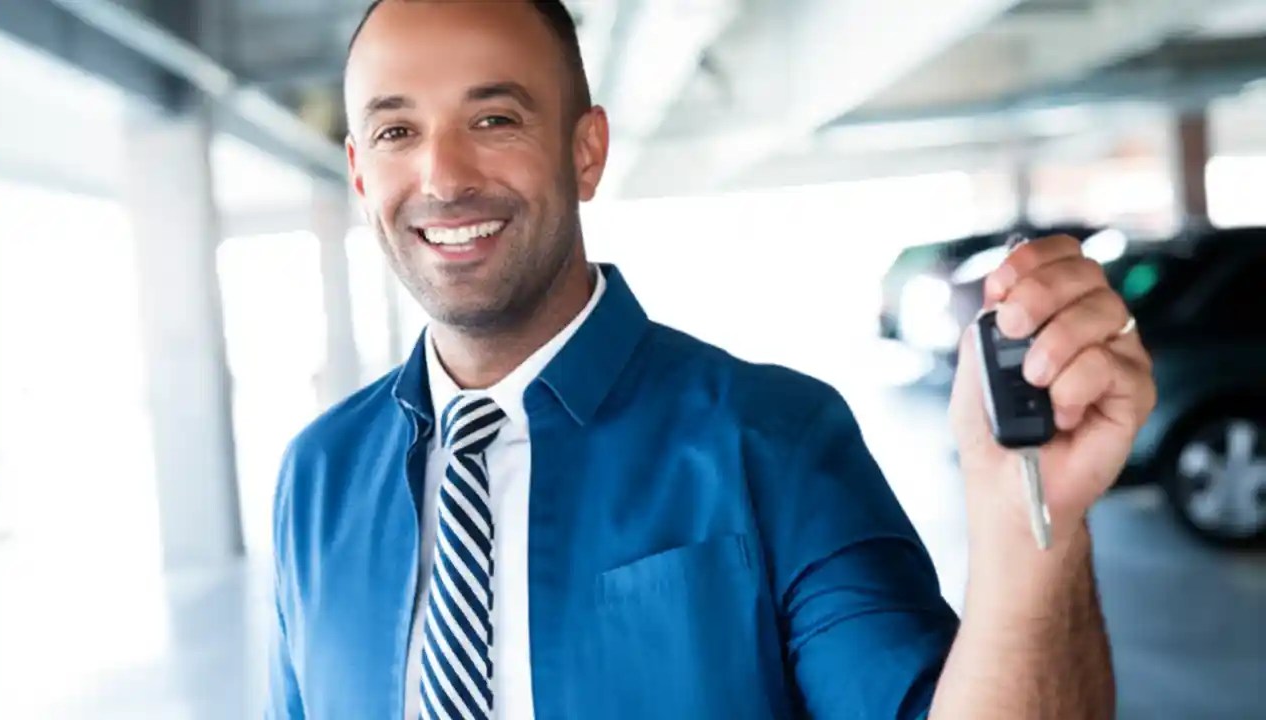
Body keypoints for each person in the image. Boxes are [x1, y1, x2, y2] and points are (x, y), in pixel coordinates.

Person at [265, 1, 1156, 718]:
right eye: (394, 133)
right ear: (356, 170)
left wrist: (1030, 530)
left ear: (586, 152)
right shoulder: (318, 476)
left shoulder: (774, 440)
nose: (443, 175)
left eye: (494, 118)